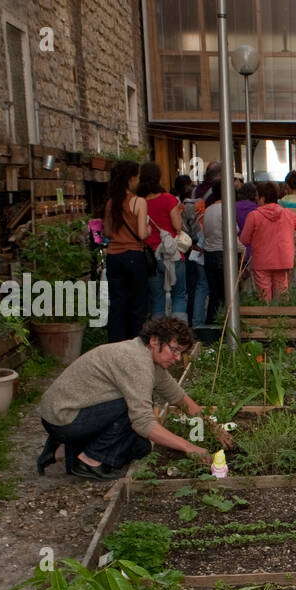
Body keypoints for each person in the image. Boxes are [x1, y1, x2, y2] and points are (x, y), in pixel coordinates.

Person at [36, 317, 219, 481]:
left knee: (141, 448)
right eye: (175, 350)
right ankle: (89, 461)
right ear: (155, 341)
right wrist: (189, 447)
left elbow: (178, 396)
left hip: (70, 412)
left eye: (181, 353)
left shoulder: (149, 358)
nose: (177, 358)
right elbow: (143, 422)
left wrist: (213, 427)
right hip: (63, 416)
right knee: (132, 408)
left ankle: (62, 451)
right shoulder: (136, 362)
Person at [239, 181, 296, 302]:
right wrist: (293, 241)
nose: (256, 199)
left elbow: (244, 239)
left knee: (264, 297)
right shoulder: (287, 213)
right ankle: (281, 319)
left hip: (261, 260)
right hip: (283, 260)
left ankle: (266, 318)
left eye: (257, 196)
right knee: (281, 296)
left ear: (262, 198)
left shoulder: (254, 216)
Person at [101, 160, 149, 343]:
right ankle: (135, 343)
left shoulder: (111, 203)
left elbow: (107, 232)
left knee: (117, 303)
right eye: (137, 177)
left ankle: (116, 344)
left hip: (114, 257)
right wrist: (149, 230)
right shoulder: (138, 202)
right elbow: (142, 234)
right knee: (137, 305)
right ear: (131, 179)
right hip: (134, 255)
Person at [137, 162, 187, 321]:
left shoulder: (139, 201)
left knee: (157, 299)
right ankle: (178, 336)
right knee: (178, 295)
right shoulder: (168, 199)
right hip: (172, 254)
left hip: (151, 257)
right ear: (159, 178)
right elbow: (177, 226)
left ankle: (157, 338)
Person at [175, 174, 208, 328]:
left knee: (184, 288)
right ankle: (194, 319)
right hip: (195, 247)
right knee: (197, 285)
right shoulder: (196, 205)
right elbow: (197, 228)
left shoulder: (176, 204)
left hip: (180, 248)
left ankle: (184, 320)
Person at [201, 182, 226, 324]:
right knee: (226, 294)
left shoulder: (208, 210)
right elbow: (234, 231)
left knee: (214, 294)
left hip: (209, 254)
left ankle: (211, 324)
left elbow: (204, 232)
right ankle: (225, 324)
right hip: (223, 254)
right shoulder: (226, 209)